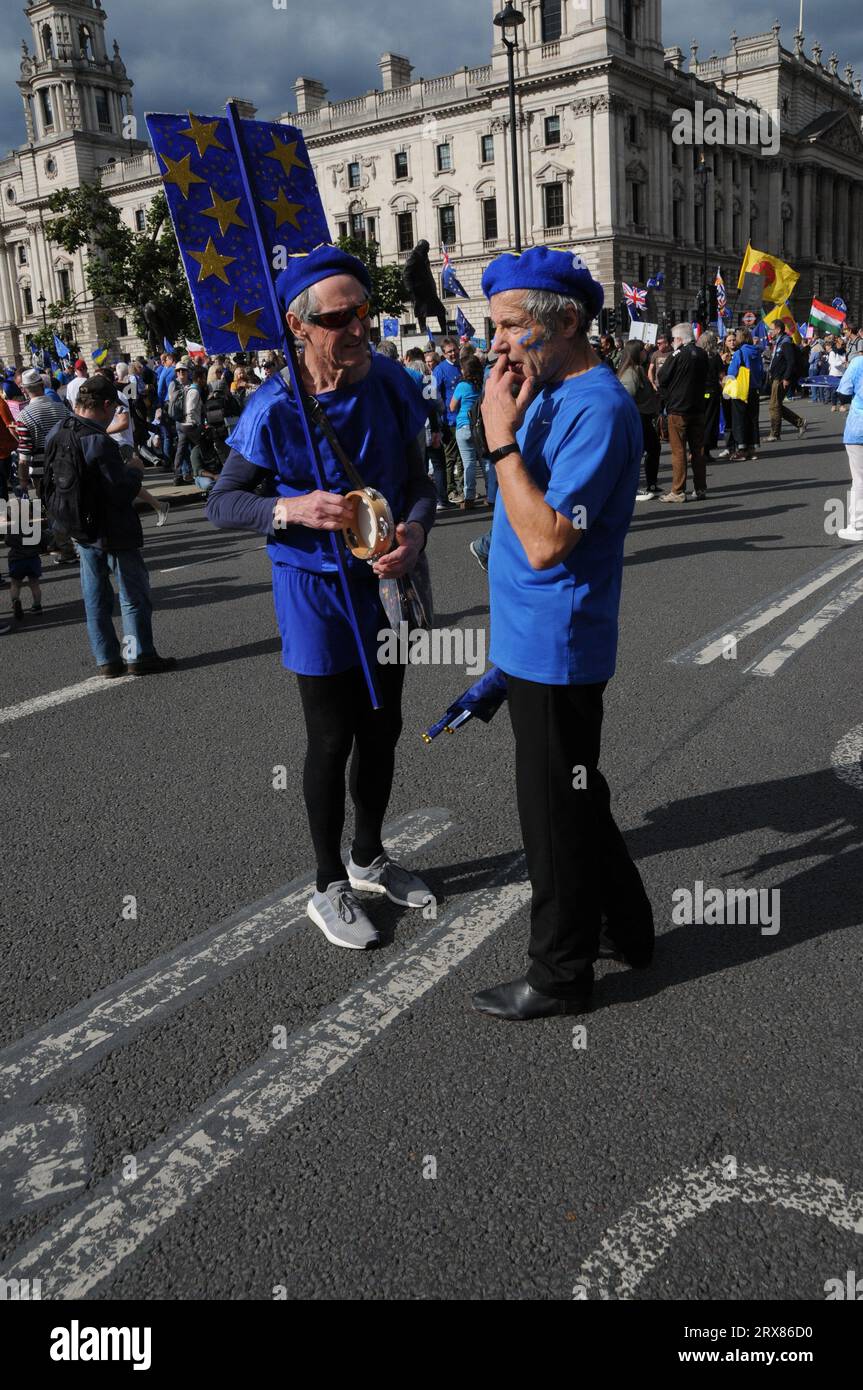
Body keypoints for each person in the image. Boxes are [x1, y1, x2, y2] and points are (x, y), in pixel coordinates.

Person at [208, 244, 437, 950]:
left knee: (384, 726)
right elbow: (222, 502)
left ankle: (370, 856)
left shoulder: (393, 383)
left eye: (365, 311)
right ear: (299, 326)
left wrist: (418, 533)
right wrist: (290, 508)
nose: (360, 327)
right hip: (315, 591)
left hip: (388, 584)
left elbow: (422, 484)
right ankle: (326, 882)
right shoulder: (275, 407)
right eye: (341, 318)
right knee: (332, 737)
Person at [468, 246, 653, 1022]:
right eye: (493, 326)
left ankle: (559, 975)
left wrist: (499, 438)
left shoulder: (597, 407)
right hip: (527, 639)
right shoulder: (544, 387)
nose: (497, 343)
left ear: (567, 322)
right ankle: (629, 929)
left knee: (551, 818)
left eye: (512, 326)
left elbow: (547, 540)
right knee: (578, 796)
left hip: (559, 641)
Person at [44, 373, 177, 678]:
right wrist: (134, 471)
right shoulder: (97, 440)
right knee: (132, 596)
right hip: (112, 529)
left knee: (95, 599)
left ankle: (106, 659)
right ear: (104, 405)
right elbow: (119, 490)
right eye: (111, 408)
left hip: (80, 527)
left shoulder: (58, 431)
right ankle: (137, 655)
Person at [657, 324, 709, 501]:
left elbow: (662, 376)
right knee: (698, 449)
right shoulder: (702, 353)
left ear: (679, 339)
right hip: (698, 407)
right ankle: (700, 488)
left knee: (678, 451)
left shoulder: (677, 354)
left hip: (678, 408)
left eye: (673, 339)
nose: (672, 343)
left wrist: (667, 397)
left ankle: (678, 491)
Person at [15, 368, 68, 506]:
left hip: (41, 473)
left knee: (50, 507)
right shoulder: (63, 409)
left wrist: (23, 482)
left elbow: (24, 456)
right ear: (43, 385)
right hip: (66, 467)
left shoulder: (24, 417)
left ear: (24, 390)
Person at [618, 341, 661, 500]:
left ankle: (650, 484)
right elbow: (627, 396)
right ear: (636, 352)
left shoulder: (636, 370)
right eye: (643, 350)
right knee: (639, 453)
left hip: (641, 417)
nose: (645, 353)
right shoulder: (632, 372)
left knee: (651, 448)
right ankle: (634, 487)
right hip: (637, 417)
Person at [834, 351, 863, 542]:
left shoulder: (858, 362)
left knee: (860, 479)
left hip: (859, 426)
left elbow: (843, 391)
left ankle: (859, 524)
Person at [450, 354, 484, 509]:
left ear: (466, 370)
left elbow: (452, 406)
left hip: (463, 426)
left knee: (468, 464)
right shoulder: (482, 384)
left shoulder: (462, 386)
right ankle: (492, 496)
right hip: (479, 426)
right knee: (485, 463)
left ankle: (469, 497)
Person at [726, 328, 764, 462]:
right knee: (752, 419)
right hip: (754, 389)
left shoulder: (739, 353)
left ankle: (741, 449)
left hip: (741, 389)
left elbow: (732, 372)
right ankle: (752, 448)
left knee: (739, 420)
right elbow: (761, 371)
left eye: (736, 337)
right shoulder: (757, 352)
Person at [432, 337, 463, 502]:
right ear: (443, 354)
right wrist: (439, 419)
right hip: (449, 421)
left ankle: (463, 488)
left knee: (464, 458)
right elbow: (433, 395)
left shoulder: (462, 366)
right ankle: (451, 490)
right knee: (451, 457)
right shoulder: (440, 370)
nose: (453, 353)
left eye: (454, 350)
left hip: (465, 419)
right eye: (449, 351)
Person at [766, 322, 806, 441]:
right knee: (776, 406)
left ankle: (775, 434)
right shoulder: (779, 342)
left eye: (772, 329)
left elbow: (791, 362)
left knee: (774, 406)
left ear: (778, 330)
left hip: (781, 379)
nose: (770, 332)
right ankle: (800, 422)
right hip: (776, 377)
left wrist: (787, 378)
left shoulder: (786, 343)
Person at [168, 357, 202, 484]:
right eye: (179, 371)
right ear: (176, 373)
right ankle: (181, 474)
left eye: (183, 371)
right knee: (185, 448)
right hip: (182, 421)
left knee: (184, 448)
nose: (181, 373)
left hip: (186, 421)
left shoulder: (186, 384)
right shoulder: (177, 384)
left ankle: (186, 473)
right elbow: (171, 400)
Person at [827, 339, 847, 412]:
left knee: (842, 391)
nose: (841, 346)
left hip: (842, 374)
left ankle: (842, 405)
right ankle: (834, 405)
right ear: (836, 344)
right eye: (840, 344)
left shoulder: (844, 352)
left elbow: (846, 362)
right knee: (834, 391)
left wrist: (845, 364)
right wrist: (842, 362)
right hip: (834, 374)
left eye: (842, 344)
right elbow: (833, 363)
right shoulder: (832, 352)